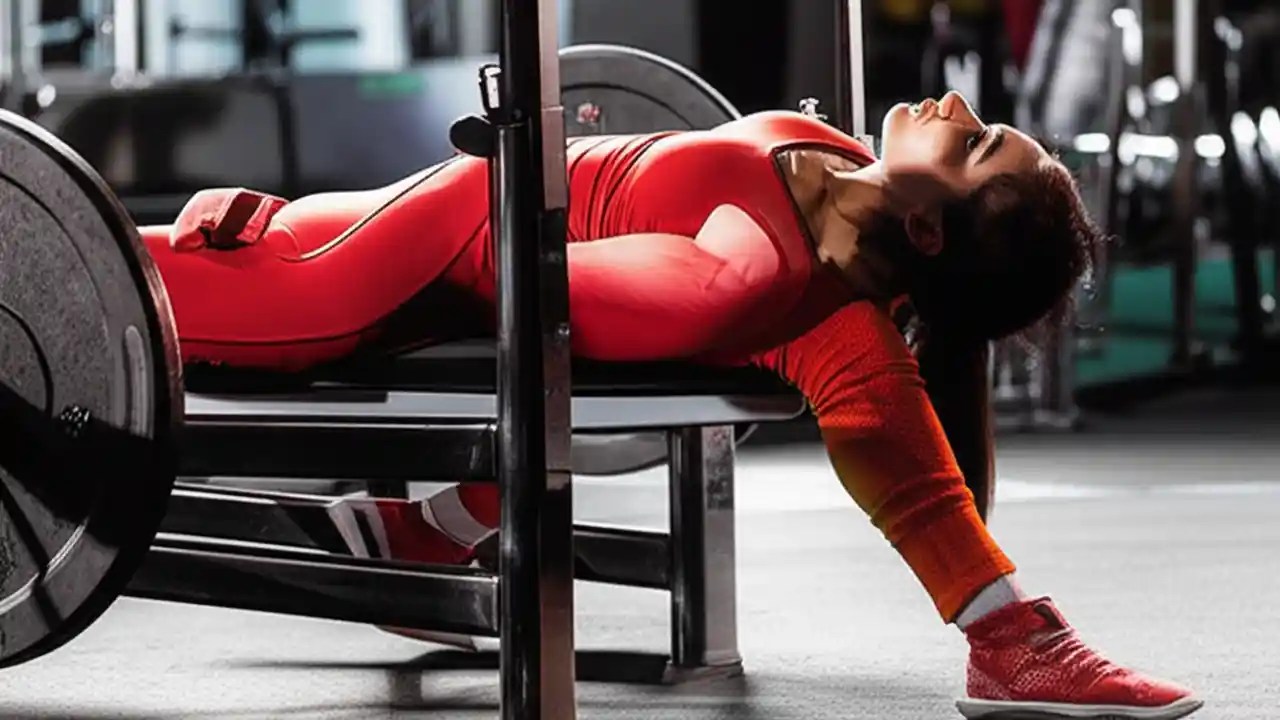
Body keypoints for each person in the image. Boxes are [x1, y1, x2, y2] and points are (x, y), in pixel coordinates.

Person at [140, 91, 1201, 720]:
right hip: (364, 219)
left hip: (355, 272)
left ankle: (1014, 641)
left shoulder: (757, 283)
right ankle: (430, 532)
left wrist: (536, 151)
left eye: (971, 147)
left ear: (928, 235)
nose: (957, 112)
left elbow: (528, 268)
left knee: (98, 280)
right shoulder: (833, 195)